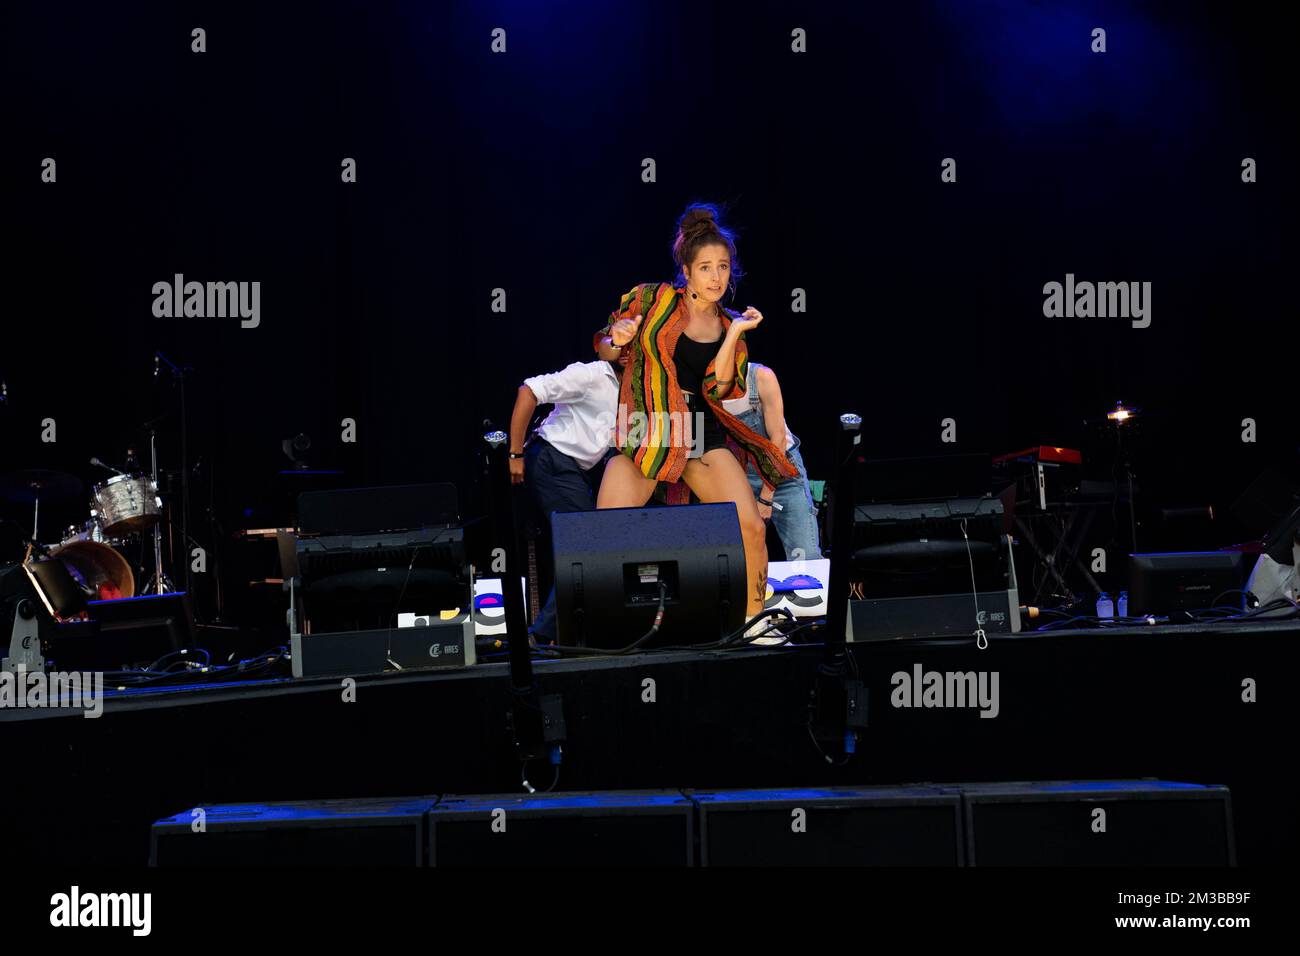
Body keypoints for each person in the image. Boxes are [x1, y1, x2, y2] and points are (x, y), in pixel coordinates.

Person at [593, 203, 799, 624]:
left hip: (699, 430)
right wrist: (616, 337)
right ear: (686, 270)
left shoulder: (729, 326)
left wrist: (737, 332)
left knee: (752, 529)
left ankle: (754, 624)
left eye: (723, 267)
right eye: (706, 267)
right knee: (605, 537)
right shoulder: (650, 299)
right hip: (649, 428)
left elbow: (720, 389)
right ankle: (606, 633)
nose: (716, 277)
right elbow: (604, 347)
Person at [508, 328, 635, 643]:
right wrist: (515, 453)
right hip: (551, 460)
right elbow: (528, 391)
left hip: (572, 471)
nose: (632, 353)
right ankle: (543, 635)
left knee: (583, 548)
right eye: (626, 346)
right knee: (586, 545)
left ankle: (562, 633)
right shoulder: (592, 375)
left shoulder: (634, 394)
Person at [719, 362, 823, 560]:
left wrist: (766, 498)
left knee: (805, 557)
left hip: (782, 476)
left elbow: (778, 440)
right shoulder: (701, 387)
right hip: (737, 480)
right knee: (734, 563)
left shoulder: (760, 377)